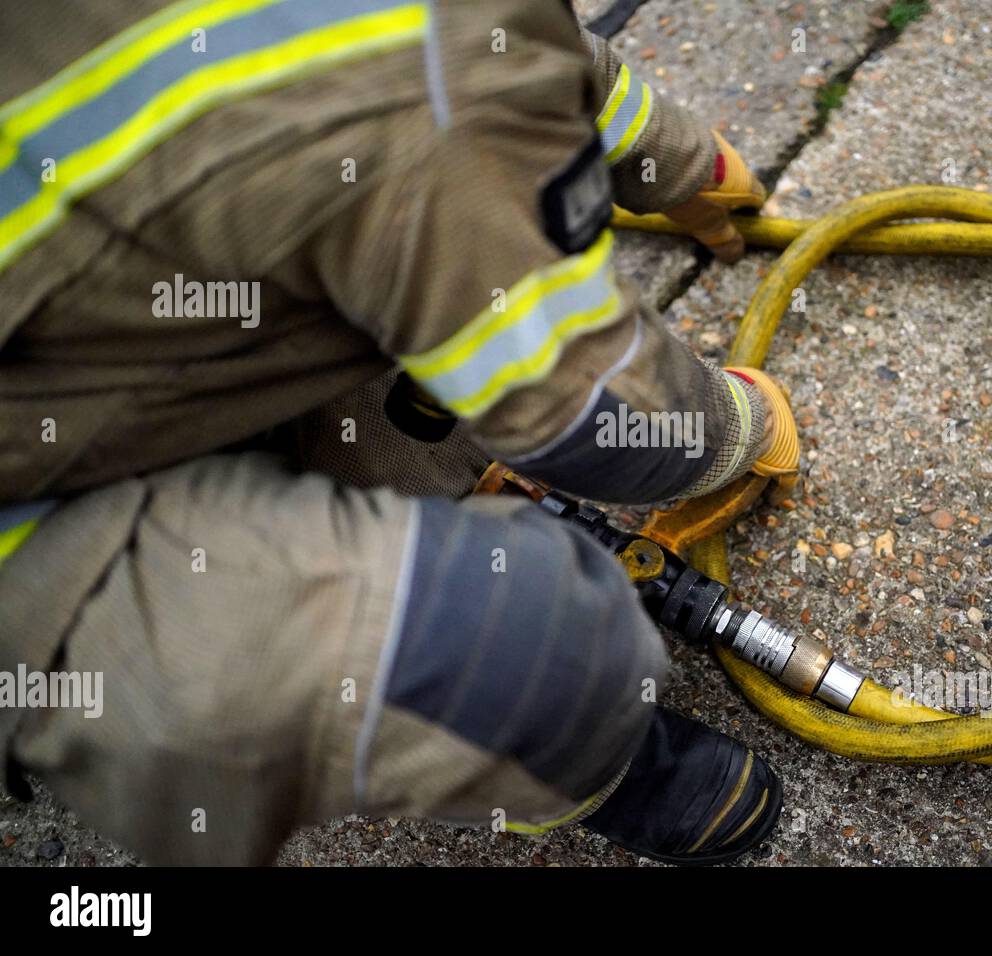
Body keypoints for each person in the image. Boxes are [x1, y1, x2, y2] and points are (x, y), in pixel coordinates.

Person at [0, 0, 799, 866]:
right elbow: (605, 420)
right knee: (496, 640)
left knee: (390, 311)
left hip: (88, 352)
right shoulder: (395, 84)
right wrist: (736, 426)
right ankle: (580, 768)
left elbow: (488, 42)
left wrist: (675, 153)